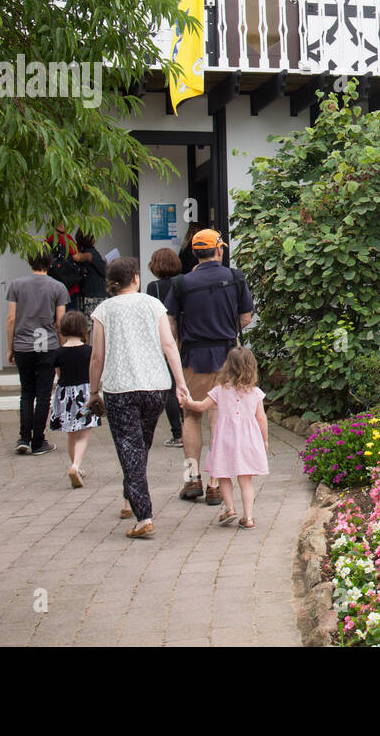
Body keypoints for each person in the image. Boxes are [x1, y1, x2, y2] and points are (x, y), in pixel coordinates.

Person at [88, 256, 188, 539]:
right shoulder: (153, 304)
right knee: (139, 444)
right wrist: (179, 383)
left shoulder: (103, 310)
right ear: (135, 279)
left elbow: (97, 356)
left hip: (120, 388)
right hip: (156, 386)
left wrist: (94, 391)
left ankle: (143, 515)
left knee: (130, 447)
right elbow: (169, 345)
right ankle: (127, 498)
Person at [164, 229, 254, 505]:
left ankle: (192, 480)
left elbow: (170, 323)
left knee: (191, 416)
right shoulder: (235, 278)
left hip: (194, 357)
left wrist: (181, 343)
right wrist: (228, 330)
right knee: (220, 416)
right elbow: (247, 318)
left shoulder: (181, 283)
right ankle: (216, 482)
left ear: (194, 253)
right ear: (219, 250)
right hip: (228, 356)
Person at [180, 347, 268, 529]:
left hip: (225, 441)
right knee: (246, 480)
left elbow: (201, 407)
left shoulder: (219, 390)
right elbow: (261, 418)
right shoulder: (255, 393)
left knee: (223, 475)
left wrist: (188, 402)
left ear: (227, 367)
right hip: (247, 441)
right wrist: (265, 440)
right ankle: (249, 517)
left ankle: (229, 509)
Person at [6, 251, 69, 455]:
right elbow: (60, 322)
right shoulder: (58, 287)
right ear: (50, 263)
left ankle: (23, 437)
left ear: (30, 260)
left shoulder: (16, 285)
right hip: (47, 345)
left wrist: (10, 347)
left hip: (23, 345)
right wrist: (62, 349)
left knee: (26, 392)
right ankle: (38, 441)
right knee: (43, 395)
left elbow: (11, 318)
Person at [50, 310, 98, 488]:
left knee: (71, 433)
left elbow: (58, 374)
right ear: (84, 329)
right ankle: (76, 465)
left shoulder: (58, 353)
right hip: (84, 395)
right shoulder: (89, 351)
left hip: (64, 396)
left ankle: (74, 466)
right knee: (84, 433)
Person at [145, 247, 185, 447]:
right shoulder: (183, 282)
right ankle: (189, 427)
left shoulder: (154, 287)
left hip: (164, 338)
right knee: (185, 382)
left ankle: (177, 434)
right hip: (185, 337)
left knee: (171, 386)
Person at [71, 230, 108, 316]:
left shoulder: (78, 250)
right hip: (95, 295)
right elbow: (105, 271)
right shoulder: (92, 253)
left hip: (82, 294)